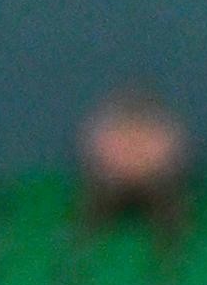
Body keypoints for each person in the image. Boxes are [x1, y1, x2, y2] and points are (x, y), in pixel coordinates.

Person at [73, 86, 192, 237]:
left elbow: (170, 160)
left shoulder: (162, 129)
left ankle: (171, 238)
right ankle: (85, 234)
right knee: (96, 199)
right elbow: (97, 158)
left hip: (152, 182)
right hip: (114, 181)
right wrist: (120, 174)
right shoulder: (106, 129)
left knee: (168, 203)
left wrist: (144, 173)